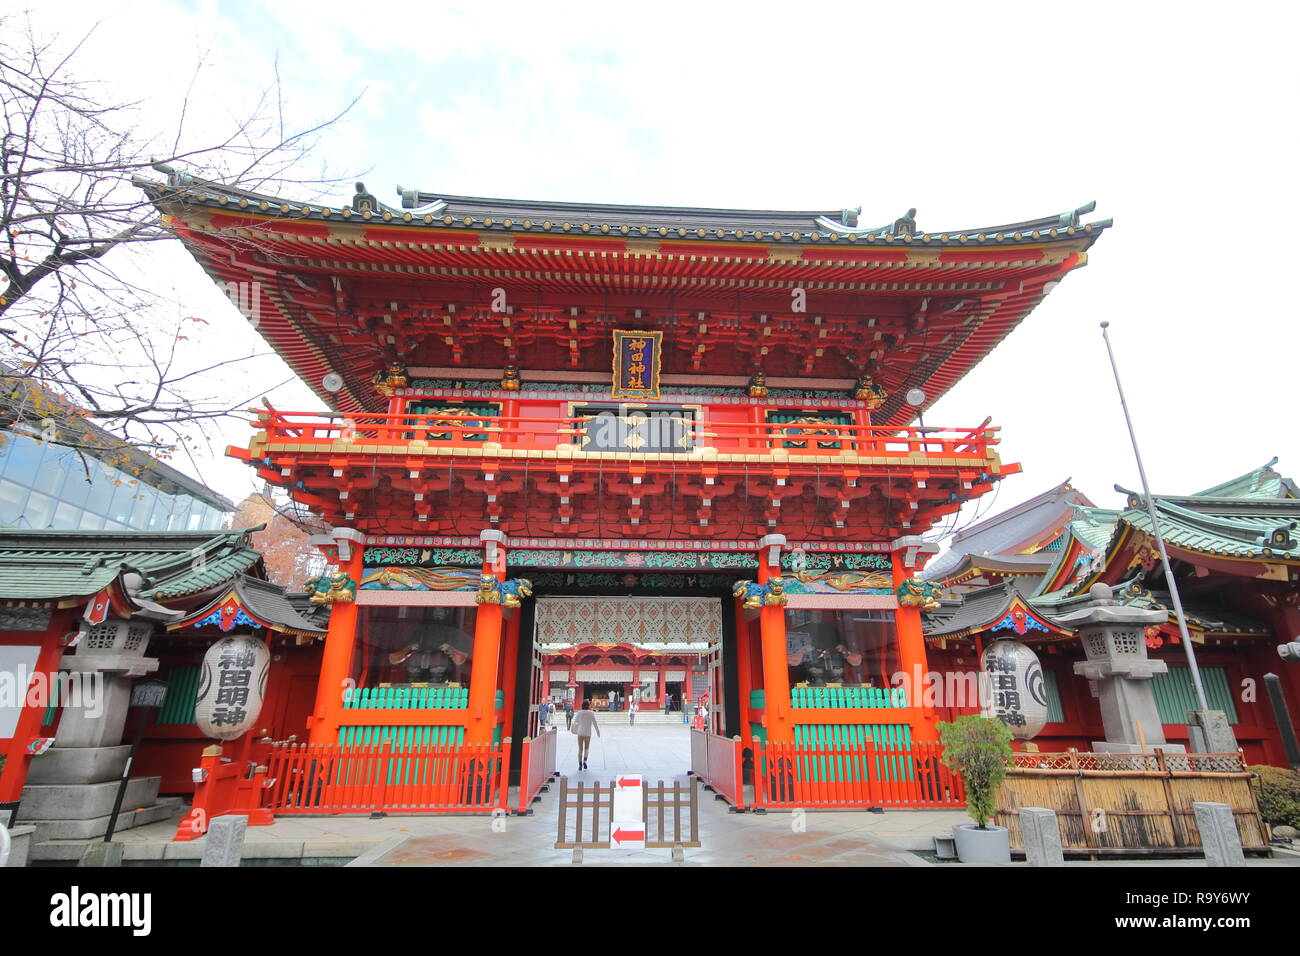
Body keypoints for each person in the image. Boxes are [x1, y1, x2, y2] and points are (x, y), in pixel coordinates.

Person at [572, 700, 600, 771]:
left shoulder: (579, 713)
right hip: (588, 732)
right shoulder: (591, 713)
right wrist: (598, 732)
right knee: (587, 748)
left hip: (580, 732)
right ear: (588, 705)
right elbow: (595, 723)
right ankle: (585, 760)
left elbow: (576, 722)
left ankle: (580, 764)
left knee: (580, 749)